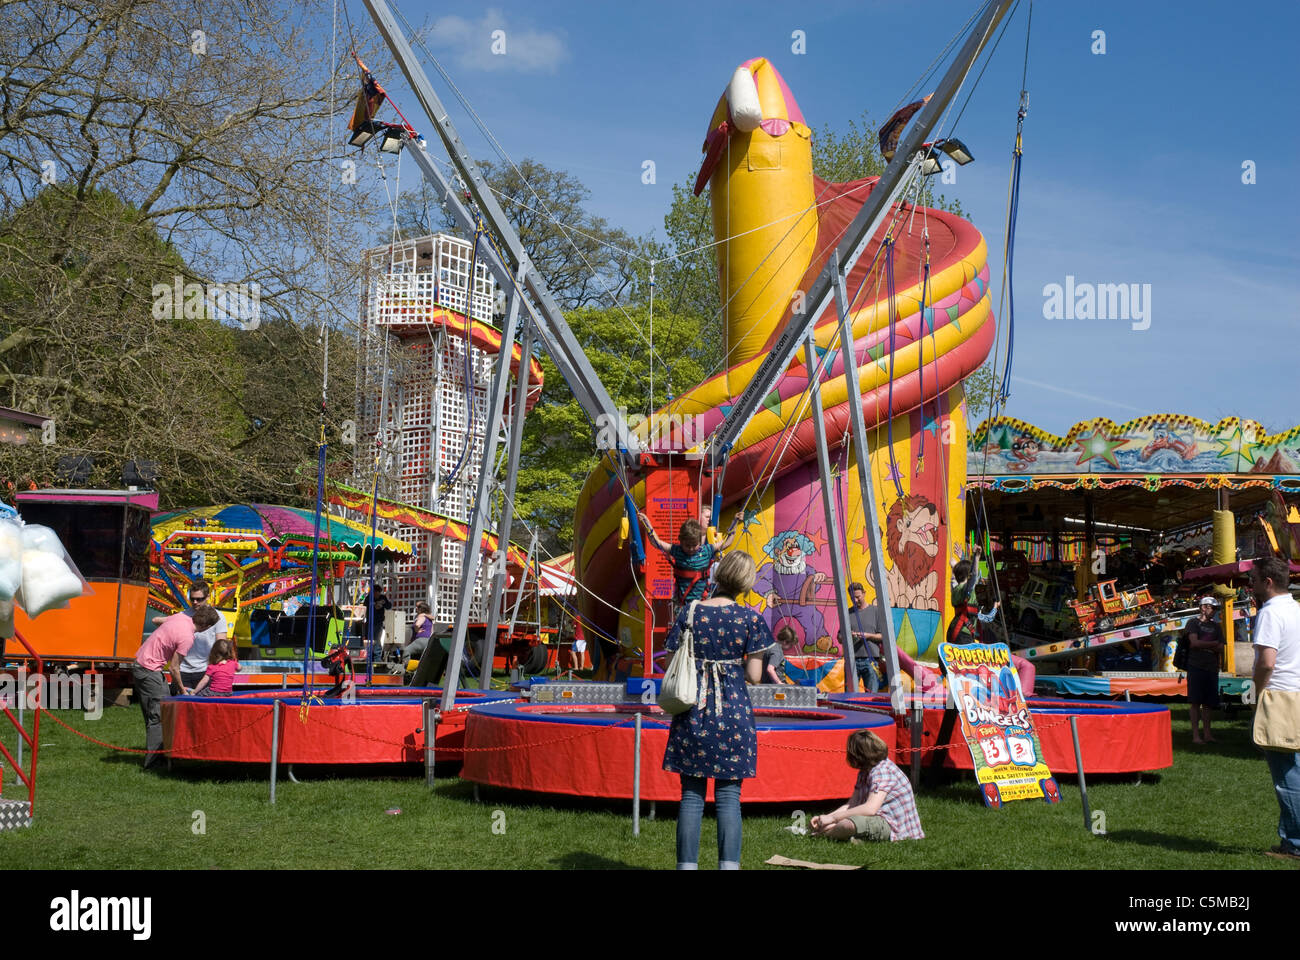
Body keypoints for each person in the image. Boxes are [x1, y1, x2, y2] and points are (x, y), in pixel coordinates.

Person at [662, 551, 769, 869]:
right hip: (733, 716)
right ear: (746, 583)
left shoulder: (690, 612)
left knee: (691, 798)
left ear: (719, 575)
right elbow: (753, 676)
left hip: (692, 712)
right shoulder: (751, 619)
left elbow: (670, 663)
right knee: (728, 798)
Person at [1250, 556, 1300, 861]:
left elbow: (1267, 662)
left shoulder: (1269, 612)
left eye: (1253, 579)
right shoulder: (1296, 609)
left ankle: (1294, 844)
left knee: (1287, 777)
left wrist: (1257, 691)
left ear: (1268, 582)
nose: (1251, 585)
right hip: (1297, 692)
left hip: (1279, 696)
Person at [131, 604, 220, 768]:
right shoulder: (187, 637)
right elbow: (174, 668)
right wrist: (182, 689)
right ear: (207, 626)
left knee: (157, 713)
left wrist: (166, 633)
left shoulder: (181, 618)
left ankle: (160, 754)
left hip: (141, 665)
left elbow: (157, 620)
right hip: (149, 670)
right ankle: (155, 762)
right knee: (159, 715)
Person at [810, 729, 924, 842]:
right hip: (877, 818)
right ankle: (840, 833)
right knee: (844, 823)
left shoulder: (882, 772)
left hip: (894, 826)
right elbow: (851, 804)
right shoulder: (866, 771)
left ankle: (824, 834)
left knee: (847, 825)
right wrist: (825, 818)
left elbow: (870, 809)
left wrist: (832, 819)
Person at [639, 511, 742, 612]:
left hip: (703, 602)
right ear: (680, 540)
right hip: (682, 605)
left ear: (699, 541)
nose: (691, 549)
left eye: (695, 545)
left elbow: (727, 542)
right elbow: (656, 542)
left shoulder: (706, 550)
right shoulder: (676, 550)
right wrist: (647, 523)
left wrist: (735, 522)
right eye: (687, 545)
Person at [1184, 596, 1225, 744]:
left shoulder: (1216, 627)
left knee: (1208, 703)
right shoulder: (1193, 623)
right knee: (1195, 702)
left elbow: (1221, 647)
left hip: (1211, 667)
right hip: (1196, 666)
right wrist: (1213, 643)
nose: (1214, 611)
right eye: (1212, 608)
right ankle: (1196, 736)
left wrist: (1206, 644)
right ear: (1203, 607)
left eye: (1215, 608)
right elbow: (1194, 643)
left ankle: (1207, 734)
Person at [175, 580, 229, 691]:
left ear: (207, 597)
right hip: (183, 670)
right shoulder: (182, 615)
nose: (195, 602)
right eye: (192, 599)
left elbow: (221, 646)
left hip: (206, 671)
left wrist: (217, 669)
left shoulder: (218, 616)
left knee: (205, 707)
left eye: (199, 599)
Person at [842, 582, 884, 692]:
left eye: (857, 597)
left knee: (871, 696)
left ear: (864, 594)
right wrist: (848, 635)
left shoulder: (876, 612)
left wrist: (867, 636)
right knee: (850, 696)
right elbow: (840, 637)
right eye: (852, 598)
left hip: (871, 660)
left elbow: (883, 636)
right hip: (852, 660)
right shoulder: (847, 613)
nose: (855, 600)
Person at [947, 545, 983, 644]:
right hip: (963, 634)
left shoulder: (955, 588)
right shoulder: (967, 590)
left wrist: (957, 563)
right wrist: (976, 557)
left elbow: (956, 576)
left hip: (953, 632)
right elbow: (974, 575)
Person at [399, 601, 434, 665]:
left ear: (421, 609)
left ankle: (406, 667)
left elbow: (417, 625)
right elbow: (432, 632)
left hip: (421, 640)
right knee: (420, 657)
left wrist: (417, 630)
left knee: (406, 651)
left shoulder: (421, 616)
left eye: (418, 607)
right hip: (428, 640)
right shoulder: (429, 619)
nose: (416, 608)